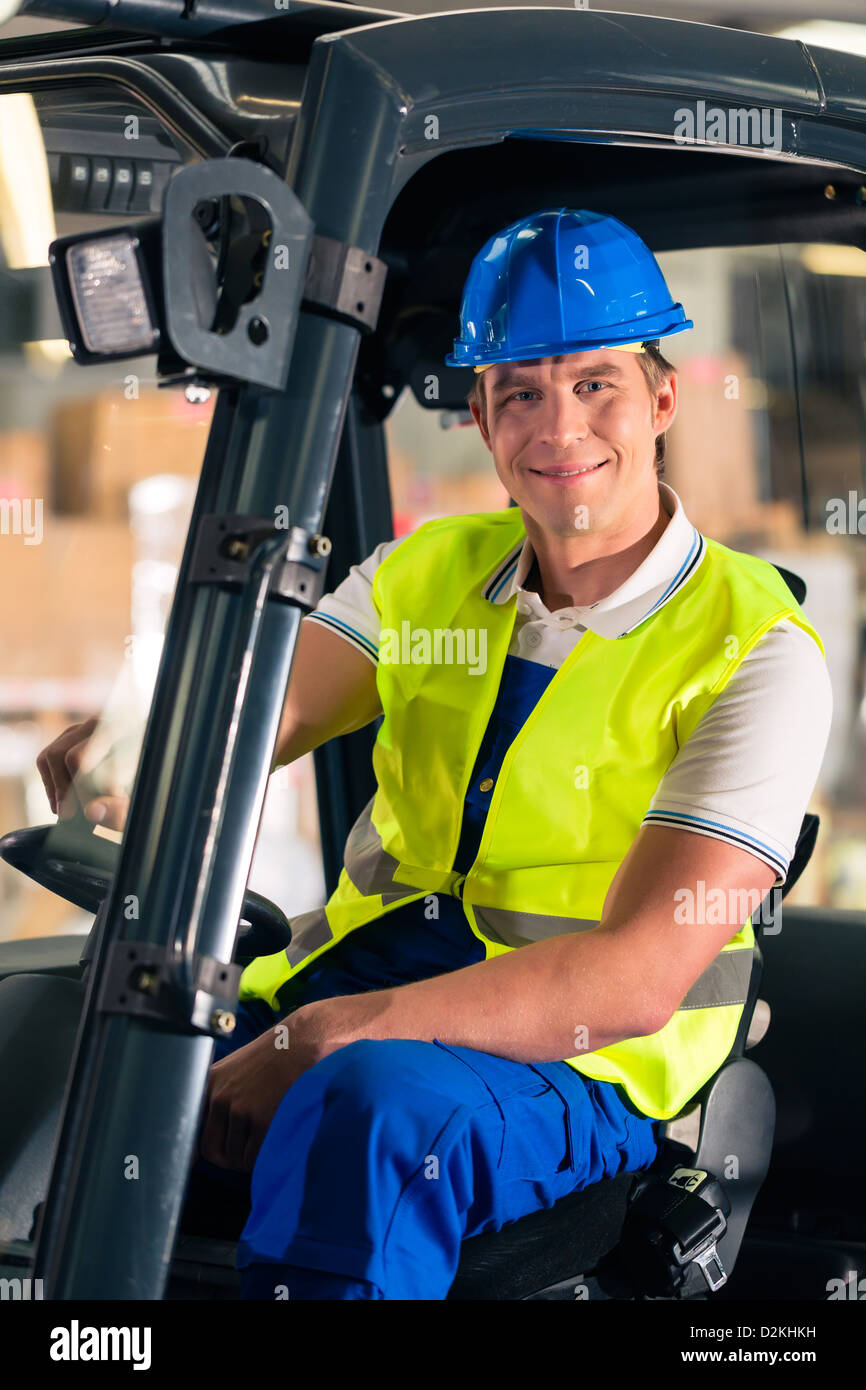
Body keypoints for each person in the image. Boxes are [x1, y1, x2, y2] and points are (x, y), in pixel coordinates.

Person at [37, 208, 832, 1301]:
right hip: (371, 976)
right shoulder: (430, 572)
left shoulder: (756, 652)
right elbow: (261, 710)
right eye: (519, 391)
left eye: (594, 383)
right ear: (479, 416)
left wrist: (318, 1037)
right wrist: (138, 744)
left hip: (578, 1053)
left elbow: (635, 977)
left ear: (661, 398)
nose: (558, 428)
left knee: (362, 1112)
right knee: (59, 1038)